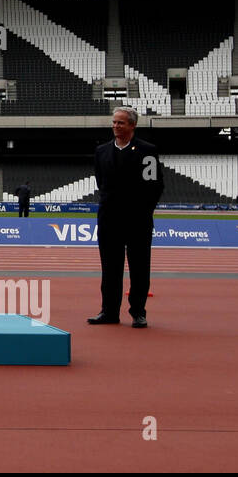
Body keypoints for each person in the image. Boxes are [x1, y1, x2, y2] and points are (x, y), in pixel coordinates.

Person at [89, 106, 164, 328]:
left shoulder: (146, 150)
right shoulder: (101, 151)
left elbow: (154, 186)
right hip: (109, 219)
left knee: (139, 267)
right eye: (114, 122)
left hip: (137, 220)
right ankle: (109, 311)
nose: (115, 126)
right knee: (110, 267)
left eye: (120, 123)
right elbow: (101, 182)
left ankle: (138, 312)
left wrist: (143, 211)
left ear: (132, 125)